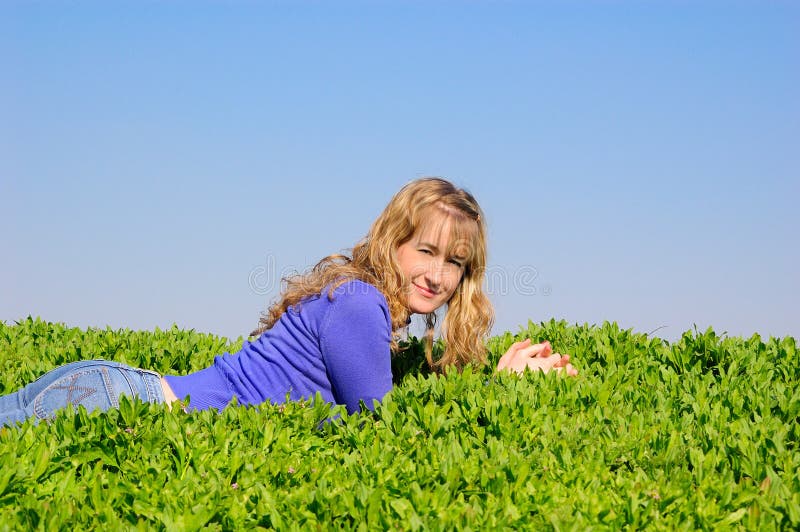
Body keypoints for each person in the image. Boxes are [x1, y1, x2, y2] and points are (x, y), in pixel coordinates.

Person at [0, 178, 577, 428]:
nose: (437, 274)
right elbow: (381, 427)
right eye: (425, 250)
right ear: (392, 242)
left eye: (454, 261)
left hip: (114, 392)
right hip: (122, 404)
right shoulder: (361, 305)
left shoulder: (366, 305)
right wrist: (502, 388)